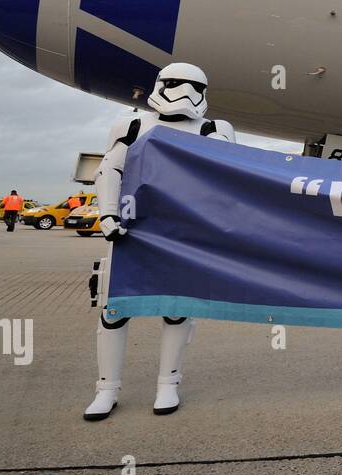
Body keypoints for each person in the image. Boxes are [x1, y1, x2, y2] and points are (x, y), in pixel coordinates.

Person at [83, 62, 237, 421]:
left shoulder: (214, 129)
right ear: (159, 85)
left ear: (204, 92)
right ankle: (106, 388)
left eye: (192, 86)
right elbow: (110, 169)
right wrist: (106, 214)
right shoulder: (134, 125)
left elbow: (229, 173)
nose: (183, 93)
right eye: (174, 84)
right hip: (131, 226)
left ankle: (168, 383)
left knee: (176, 307)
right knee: (115, 310)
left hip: (181, 232)